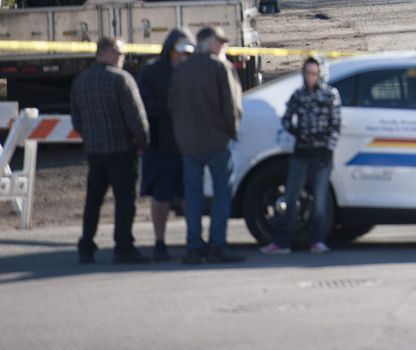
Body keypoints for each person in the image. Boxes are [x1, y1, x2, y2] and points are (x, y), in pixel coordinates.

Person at [70, 37, 150, 264]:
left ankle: (86, 245)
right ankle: (123, 246)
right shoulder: (121, 80)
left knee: (93, 200)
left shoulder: (81, 81)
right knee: (125, 200)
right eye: (122, 54)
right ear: (111, 53)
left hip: (95, 152)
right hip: (121, 150)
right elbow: (137, 119)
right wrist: (142, 143)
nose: (123, 58)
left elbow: (76, 121)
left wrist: (90, 137)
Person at [168, 25, 245, 264]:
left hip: (189, 144)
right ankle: (217, 245)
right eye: (219, 42)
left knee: (192, 198)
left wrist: (182, 134)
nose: (223, 46)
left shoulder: (182, 69)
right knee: (222, 194)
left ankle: (194, 247)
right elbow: (232, 107)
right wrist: (231, 133)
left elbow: (172, 104)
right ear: (206, 43)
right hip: (217, 143)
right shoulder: (221, 67)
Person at [261, 56, 342, 255]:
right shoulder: (298, 95)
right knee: (291, 197)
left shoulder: (330, 95)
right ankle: (282, 243)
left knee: (319, 201)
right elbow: (287, 119)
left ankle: (317, 241)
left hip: (322, 157)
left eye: (314, 73)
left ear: (320, 74)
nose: (310, 77)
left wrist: (327, 149)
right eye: (307, 73)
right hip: (301, 153)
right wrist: (296, 132)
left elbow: (336, 125)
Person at [137, 28, 194, 262]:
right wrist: (171, 109)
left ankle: (194, 241)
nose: (183, 56)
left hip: (189, 146)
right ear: (169, 50)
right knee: (160, 198)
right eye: (179, 52)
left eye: (187, 53)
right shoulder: (151, 72)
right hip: (160, 147)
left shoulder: (192, 71)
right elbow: (144, 105)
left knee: (191, 196)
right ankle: (159, 242)